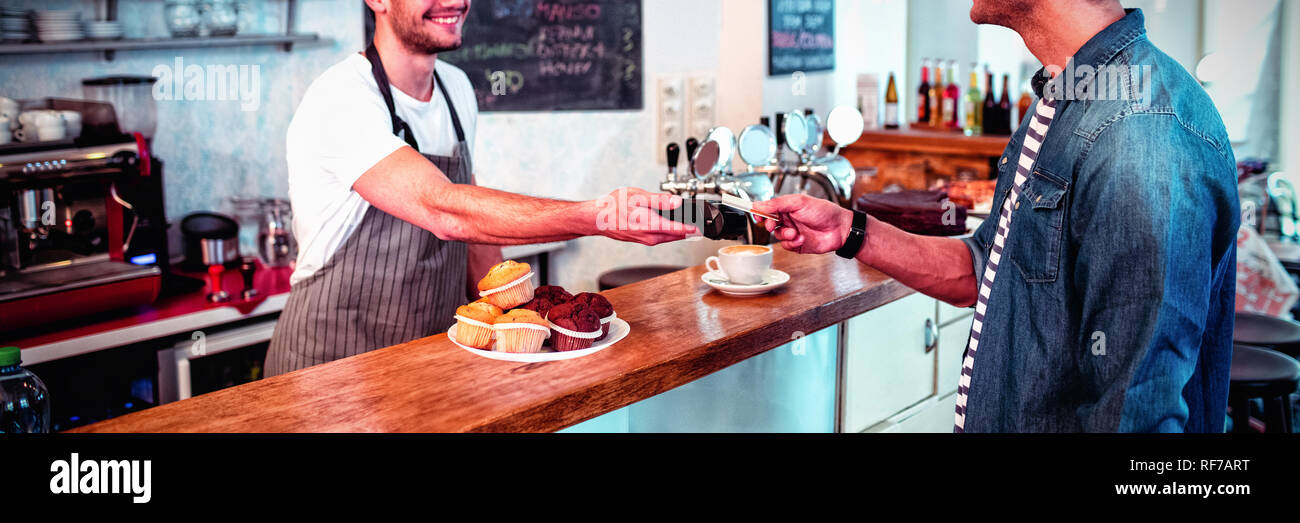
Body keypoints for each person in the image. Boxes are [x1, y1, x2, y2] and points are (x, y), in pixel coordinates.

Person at [754, 3, 1239, 432]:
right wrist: (851, 231)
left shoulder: (1140, 137)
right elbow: (986, 267)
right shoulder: (1065, 94)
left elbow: (1135, 417)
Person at [266, 0, 692, 376]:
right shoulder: (341, 98)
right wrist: (596, 216)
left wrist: (518, 328)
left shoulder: (456, 90)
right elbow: (447, 212)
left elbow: (475, 237)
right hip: (333, 367)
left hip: (426, 359)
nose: (455, 2)